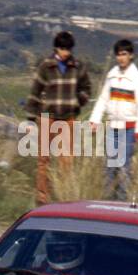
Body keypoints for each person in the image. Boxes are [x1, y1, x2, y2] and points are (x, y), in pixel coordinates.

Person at [25, 30, 91, 205]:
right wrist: (31, 117)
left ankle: (64, 197)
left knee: (66, 159)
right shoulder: (46, 66)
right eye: (62, 49)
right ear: (56, 48)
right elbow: (35, 92)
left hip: (68, 117)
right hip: (47, 117)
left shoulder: (77, 66)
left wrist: (78, 102)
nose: (65, 53)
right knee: (43, 159)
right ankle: (42, 198)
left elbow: (86, 88)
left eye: (68, 49)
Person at [89, 38, 138, 199]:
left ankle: (124, 199)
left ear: (131, 55)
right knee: (110, 164)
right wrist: (95, 120)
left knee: (123, 165)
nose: (121, 58)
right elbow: (103, 99)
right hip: (112, 126)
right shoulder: (112, 76)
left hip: (128, 127)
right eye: (118, 55)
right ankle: (108, 197)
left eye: (124, 54)